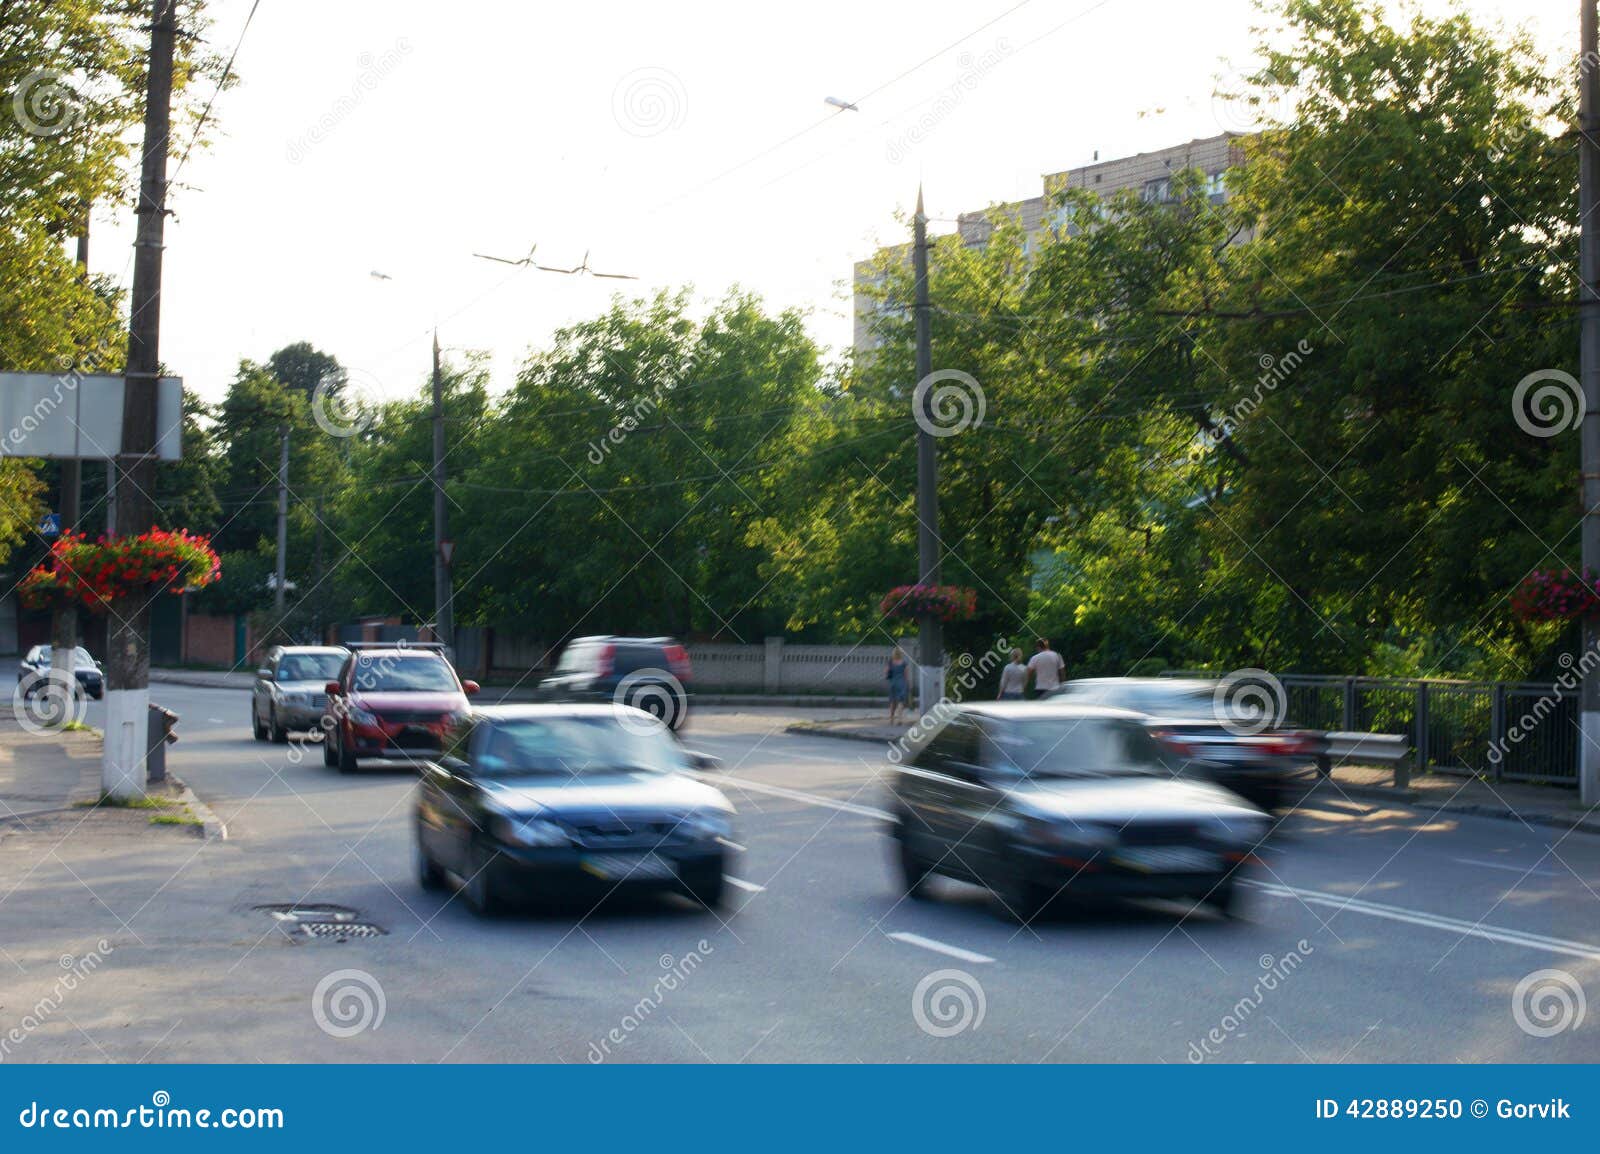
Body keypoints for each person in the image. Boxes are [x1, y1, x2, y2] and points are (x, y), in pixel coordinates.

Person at [886, 645, 911, 724]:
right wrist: (908, 684)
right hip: (902, 683)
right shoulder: (904, 663)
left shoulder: (890, 662)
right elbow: (906, 675)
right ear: (901, 654)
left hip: (893, 683)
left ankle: (891, 718)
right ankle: (899, 719)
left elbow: (886, 672)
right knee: (901, 701)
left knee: (893, 701)